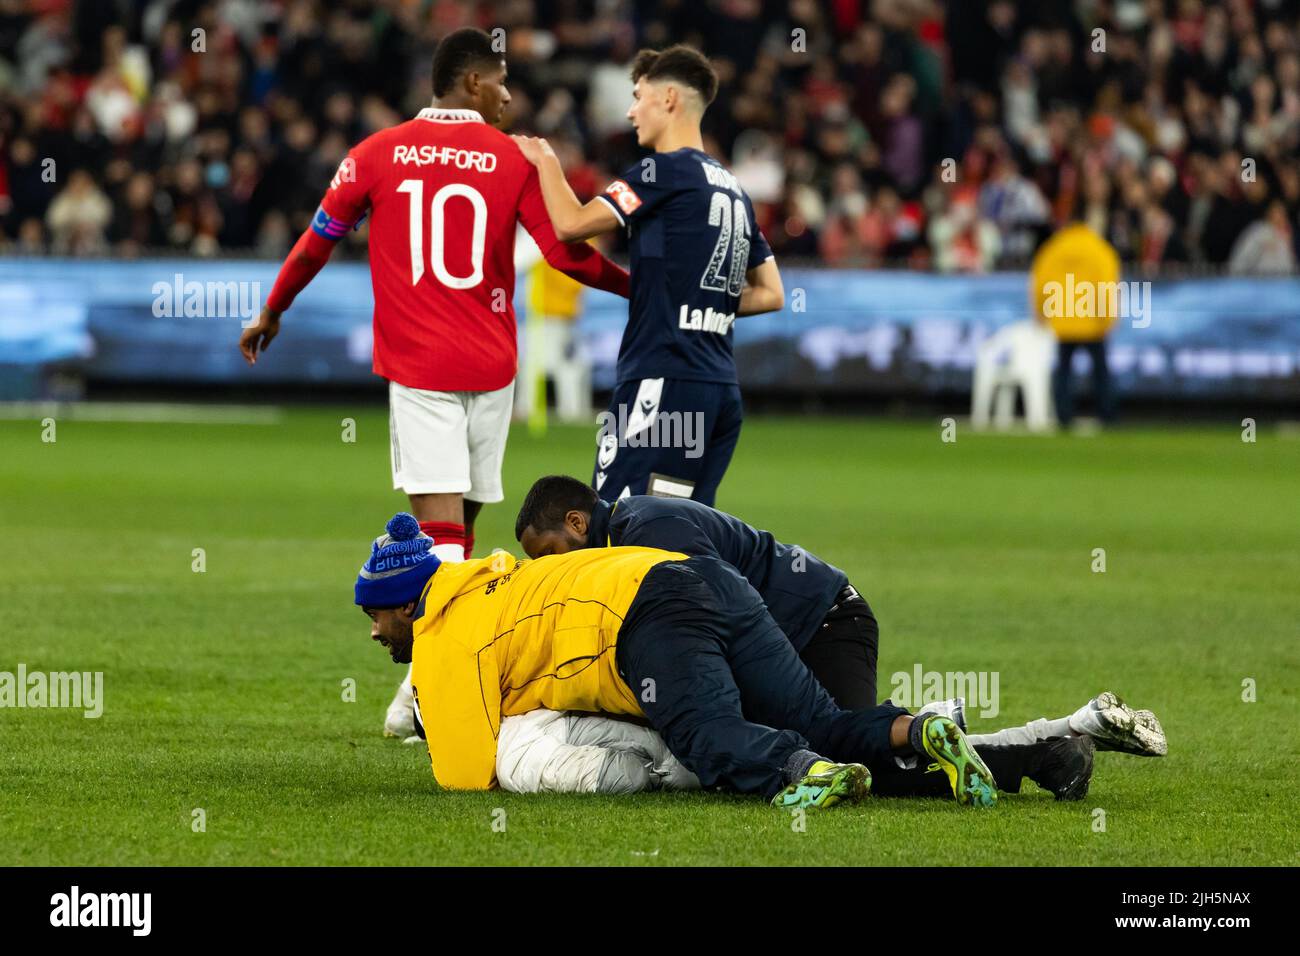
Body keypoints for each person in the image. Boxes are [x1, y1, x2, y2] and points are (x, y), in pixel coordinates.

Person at [237, 28, 631, 739]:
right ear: (471, 83)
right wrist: (639, 290)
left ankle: (425, 695)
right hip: (490, 366)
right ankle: (429, 694)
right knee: (455, 538)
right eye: (503, 79)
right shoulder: (509, 158)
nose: (511, 94)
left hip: (421, 367)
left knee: (447, 542)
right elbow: (564, 255)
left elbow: (316, 240)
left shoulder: (374, 154)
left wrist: (273, 309)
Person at [355, 512, 1000, 809]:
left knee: (706, 737)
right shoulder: (494, 574)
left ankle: (802, 773)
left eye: (376, 616)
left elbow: (467, 776)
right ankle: (918, 730)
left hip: (643, 618)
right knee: (822, 716)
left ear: (409, 607)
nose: (377, 634)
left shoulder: (442, 636)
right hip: (704, 580)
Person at [513, 45, 785, 505]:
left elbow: (571, 225)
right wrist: (696, 300)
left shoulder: (662, 171)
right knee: (684, 535)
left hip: (662, 379)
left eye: (638, 96)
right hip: (719, 388)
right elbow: (772, 293)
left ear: (670, 98)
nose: (630, 110)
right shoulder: (734, 189)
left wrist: (546, 162)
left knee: (619, 520)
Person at [1031, 221, 1122, 427]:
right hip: (1092, 323)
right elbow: (1106, 285)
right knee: (1100, 372)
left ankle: (1064, 415)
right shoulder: (1099, 249)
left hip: (1064, 321)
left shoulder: (1053, 249)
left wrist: (1041, 311)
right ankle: (1106, 414)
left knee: (1063, 372)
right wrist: (1108, 317)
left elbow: (1040, 282)